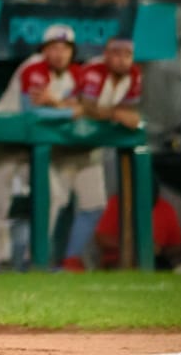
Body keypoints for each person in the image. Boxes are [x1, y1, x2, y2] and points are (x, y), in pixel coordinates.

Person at [0, 25, 81, 272]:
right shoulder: (34, 67)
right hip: (0, 141)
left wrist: (57, 105)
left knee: (55, 195)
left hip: (27, 148)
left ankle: (33, 257)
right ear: (43, 50)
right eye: (53, 47)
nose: (59, 53)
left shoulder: (73, 75)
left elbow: (82, 109)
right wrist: (66, 109)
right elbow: (32, 113)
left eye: (65, 48)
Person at [59, 38, 142, 272]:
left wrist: (123, 114)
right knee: (54, 204)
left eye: (127, 54)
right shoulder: (94, 70)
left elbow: (131, 112)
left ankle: (71, 260)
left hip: (89, 149)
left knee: (94, 206)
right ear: (106, 54)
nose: (121, 59)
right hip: (61, 147)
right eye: (116, 54)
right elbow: (88, 106)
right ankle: (31, 261)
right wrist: (117, 114)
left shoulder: (134, 75)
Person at [94, 189, 181, 270]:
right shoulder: (117, 203)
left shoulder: (165, 207)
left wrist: (159, 250)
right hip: (118, 263)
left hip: (155, 263)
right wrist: (133, 245)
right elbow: (101, 238)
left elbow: (176, 246)